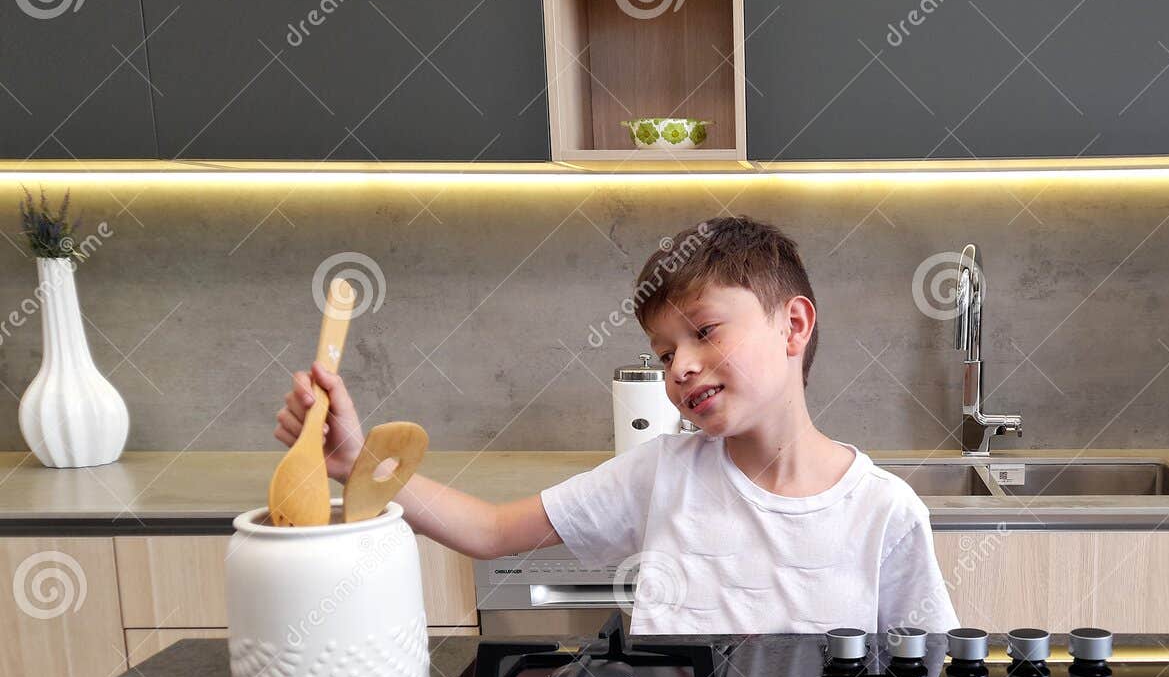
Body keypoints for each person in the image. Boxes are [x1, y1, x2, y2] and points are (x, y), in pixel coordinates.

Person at [275, 215, 959, 636]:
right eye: (664, 353)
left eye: (704, 332)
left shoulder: (884, 512)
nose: (679, 367)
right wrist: (359, 461)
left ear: (794, 325)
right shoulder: (661, 474)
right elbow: (491, 532)